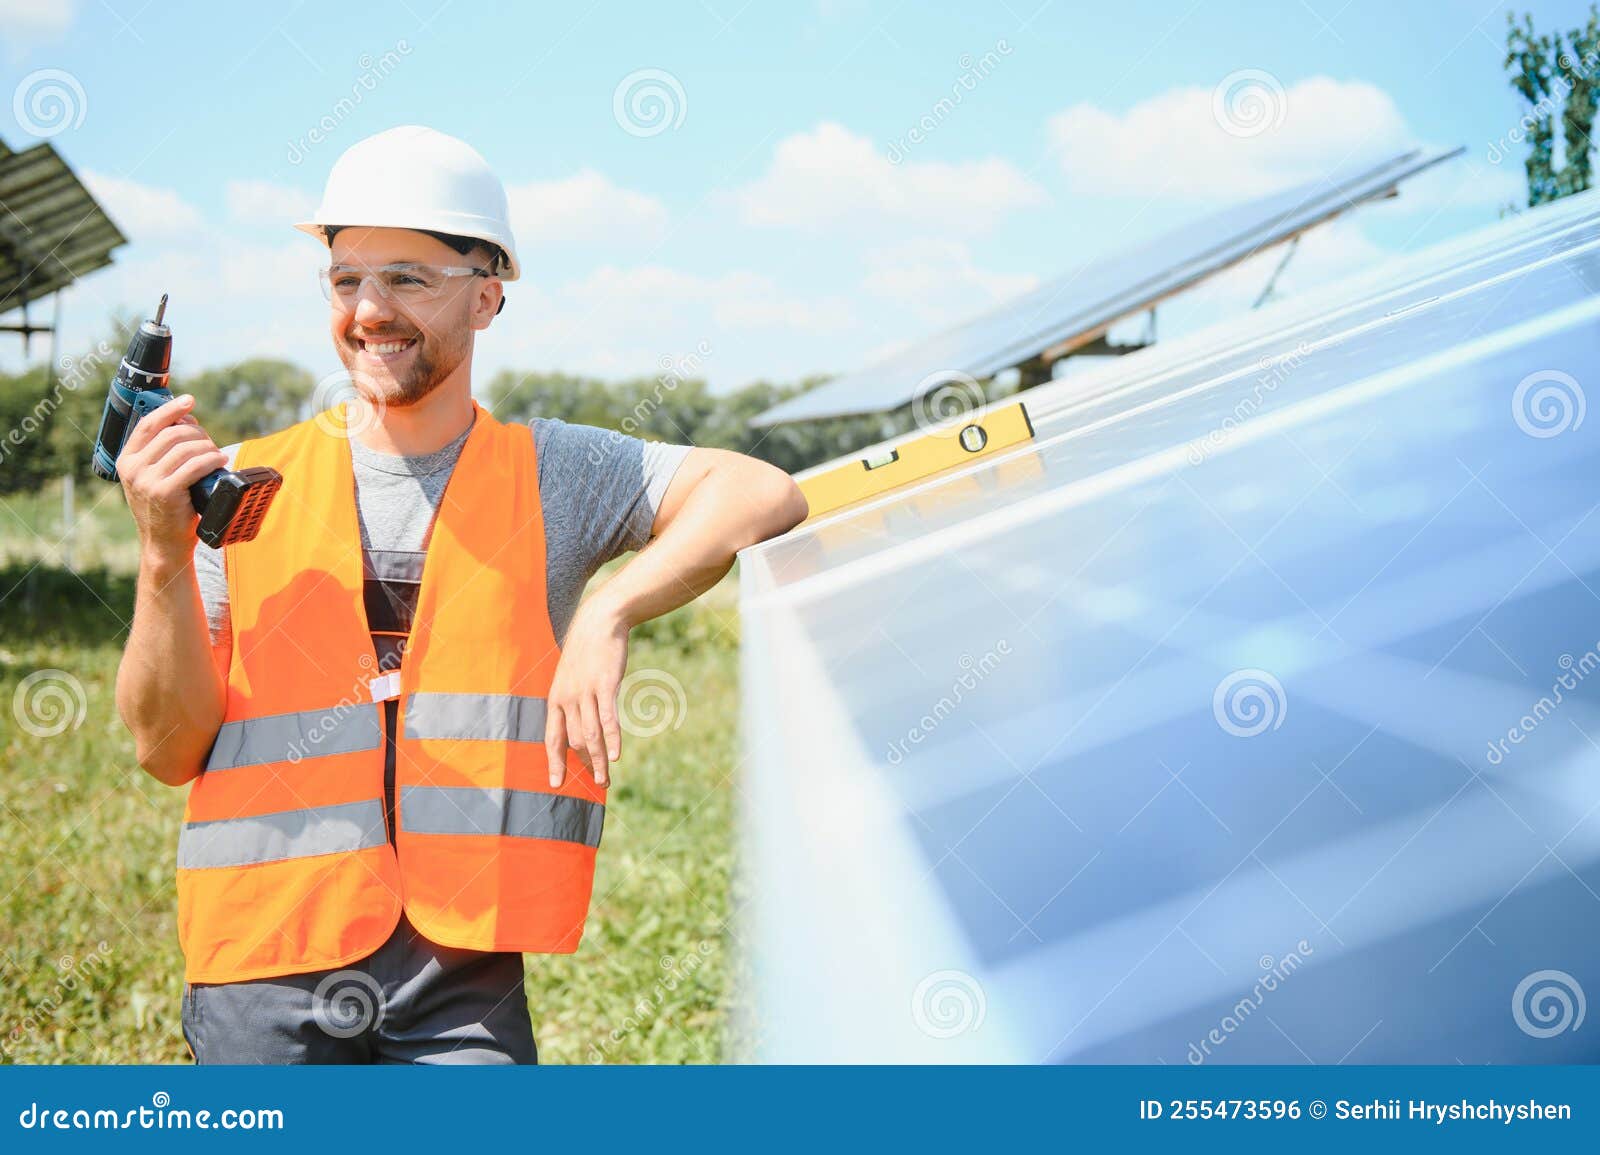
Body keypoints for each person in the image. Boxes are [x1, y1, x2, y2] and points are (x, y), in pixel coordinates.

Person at [111, 126, 808, 1064]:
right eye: (347, 278)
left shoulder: (552, 471)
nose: (370, 310)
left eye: (407, 278)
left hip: (458, 974)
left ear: (489, 296)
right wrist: (162, 553)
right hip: (262, 959)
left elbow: (762, 490)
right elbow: (165, 746)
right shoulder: (240, 484)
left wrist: (610, 608)